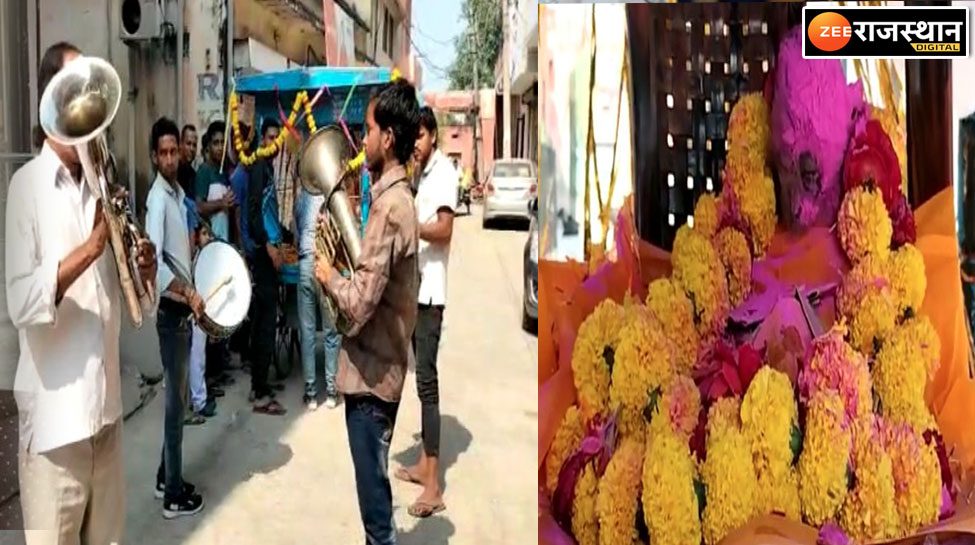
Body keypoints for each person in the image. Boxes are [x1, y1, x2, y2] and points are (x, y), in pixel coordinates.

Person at [5, 42, 156, 544]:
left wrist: (143, 271)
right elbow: (22, 301)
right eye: (77, 91)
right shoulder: (25, 188)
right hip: (54, 436)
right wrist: (92, 249)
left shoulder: (102, 185)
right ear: (53, 100)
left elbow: (131, 301)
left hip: (107, 420)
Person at [314, 79, 421, 545]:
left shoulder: (391, 209)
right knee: (374, 510)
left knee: (377, 522)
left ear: (389, 139)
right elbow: (372, 277)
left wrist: (327, 274)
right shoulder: (392, 200)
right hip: (378, 374)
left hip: (373, 384)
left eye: (370, 128)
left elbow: (358, 302)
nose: (364, 138)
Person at [394, 106, 456, 518]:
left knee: (429, 386)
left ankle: (434, 486)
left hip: (432, 294)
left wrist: (412, 228)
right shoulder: (422, 173)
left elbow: (446, 230)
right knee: (422, 386)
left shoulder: (446, 173)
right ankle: (424, 465)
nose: (414, 144)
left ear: (432, 135)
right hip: (417, 291)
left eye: (418, 136)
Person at [144, 116, 207, 519]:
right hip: (171, 311)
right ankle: (173, 498)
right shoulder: (156, 200)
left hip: (181, 312)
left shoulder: (177, 192)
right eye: (163, 153)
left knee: (178, 397)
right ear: (154, 156)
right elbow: (153, 264)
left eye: (174, 151)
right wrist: (186, 291)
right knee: (175, 405)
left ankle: (165, 477)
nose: (170, 158)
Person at [247, 118, 287, 415]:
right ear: (262, 139)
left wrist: (285, 236)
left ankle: (260, 383)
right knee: (264, 324)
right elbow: (252, 215)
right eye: (269, 137)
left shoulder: (268, 168)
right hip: (263, 256)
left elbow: (268, 212)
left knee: (267, 321)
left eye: (277, 137)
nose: (274, 142)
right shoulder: (259, 167)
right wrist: (270, 246)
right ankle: (260, 392)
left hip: (269, 250)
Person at [294, 182, 341, 411]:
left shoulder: (303, 196)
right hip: (325, 264)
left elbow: (297, 226)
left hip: (305, 264)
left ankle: (311, 394)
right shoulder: (334, 195)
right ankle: (332, 391)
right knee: (332, 332)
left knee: (308, 332)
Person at [178, 124, 198, 199]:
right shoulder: (173, 171)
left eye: (194, 145)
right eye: (188, 144)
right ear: (181, 144)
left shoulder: (193, 175)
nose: (192, 149)